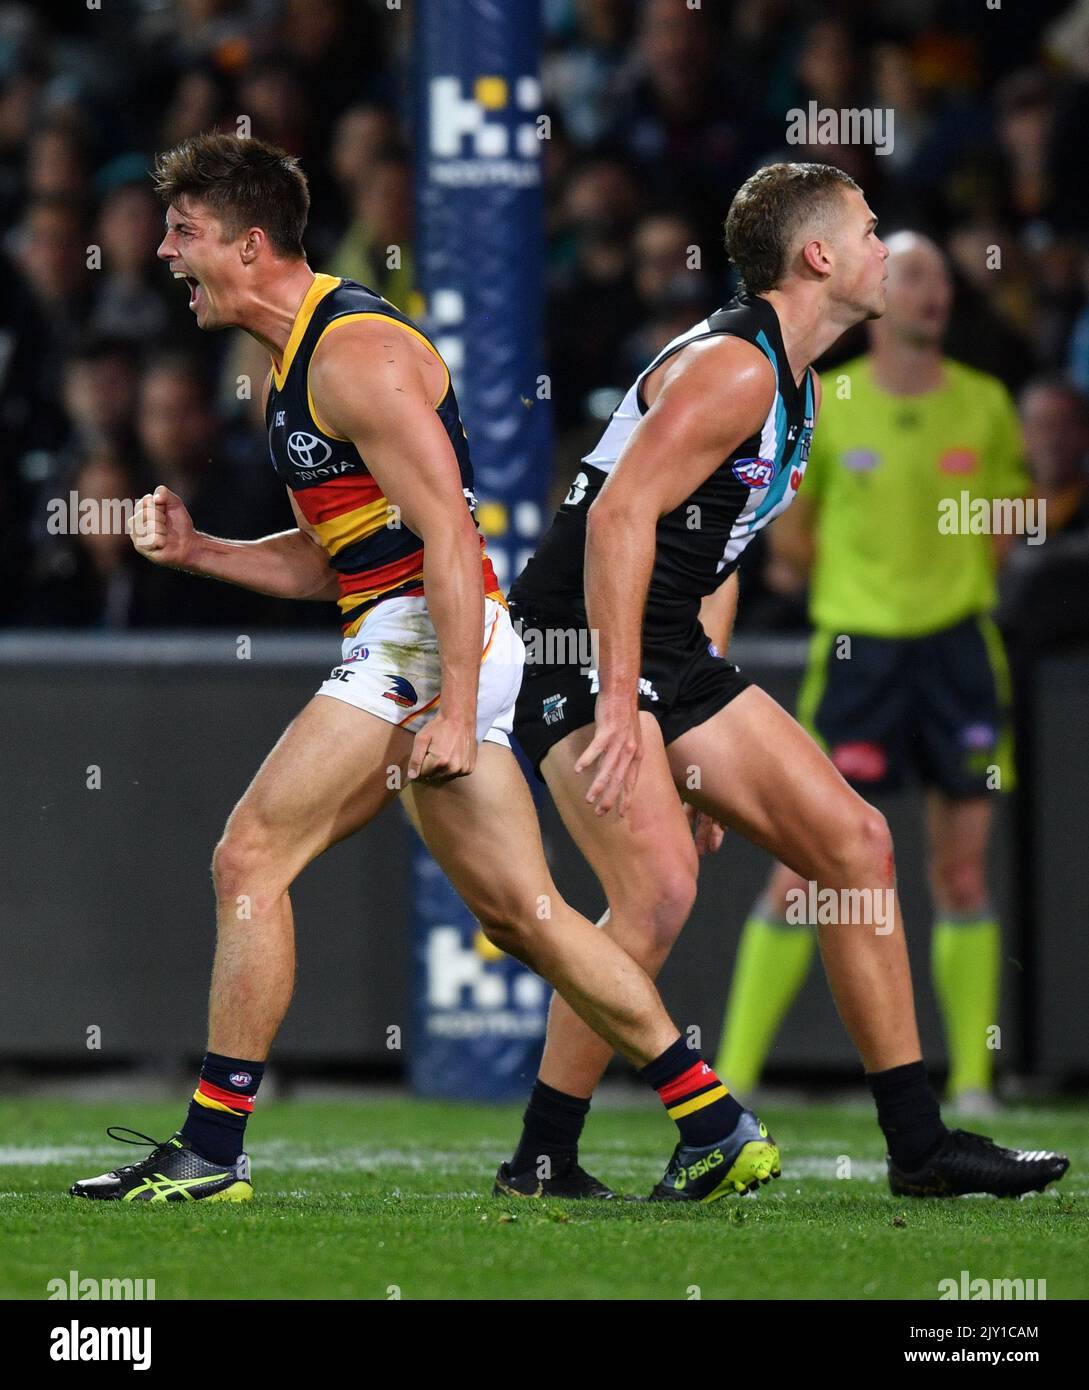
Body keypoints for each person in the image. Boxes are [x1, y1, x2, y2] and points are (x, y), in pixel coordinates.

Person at [69, 133, 779, 1205]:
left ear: (251, 243)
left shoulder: (354, 351)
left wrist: (449, 700)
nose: (165, 251)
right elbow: (340, 558)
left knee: (249, 857)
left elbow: (449, 527)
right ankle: (714, 1119)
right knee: (526, 915)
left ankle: (211, 1152)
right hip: (426, 630)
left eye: (184, 232)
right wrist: (206, 550)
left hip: (427, 641)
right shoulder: (299, 360)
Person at [496, 164, 1068, 1201]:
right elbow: (620, 520)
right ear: (817, 258)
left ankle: (920, 1147)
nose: (884, 247)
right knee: (658, 891)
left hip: (664, 648)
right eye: (867, 229)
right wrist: (629, 709)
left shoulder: (794, 376)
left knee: (856, 845)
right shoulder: (738, 368)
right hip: (572, 644)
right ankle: (543, 1155)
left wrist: (691, 739)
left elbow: (706, 550)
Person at [716, 232, 1029, 1115]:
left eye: (939, 277)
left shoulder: (985, 404)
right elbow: (790, 538)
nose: (931, 291)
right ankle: (732, 1078)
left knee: (960, 873)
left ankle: (970, 1084)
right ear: (879, 290)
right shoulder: (831, 400)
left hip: (958, 651)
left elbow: (1005, 534)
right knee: (804, 871)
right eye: (911, 274)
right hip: (858, 655)